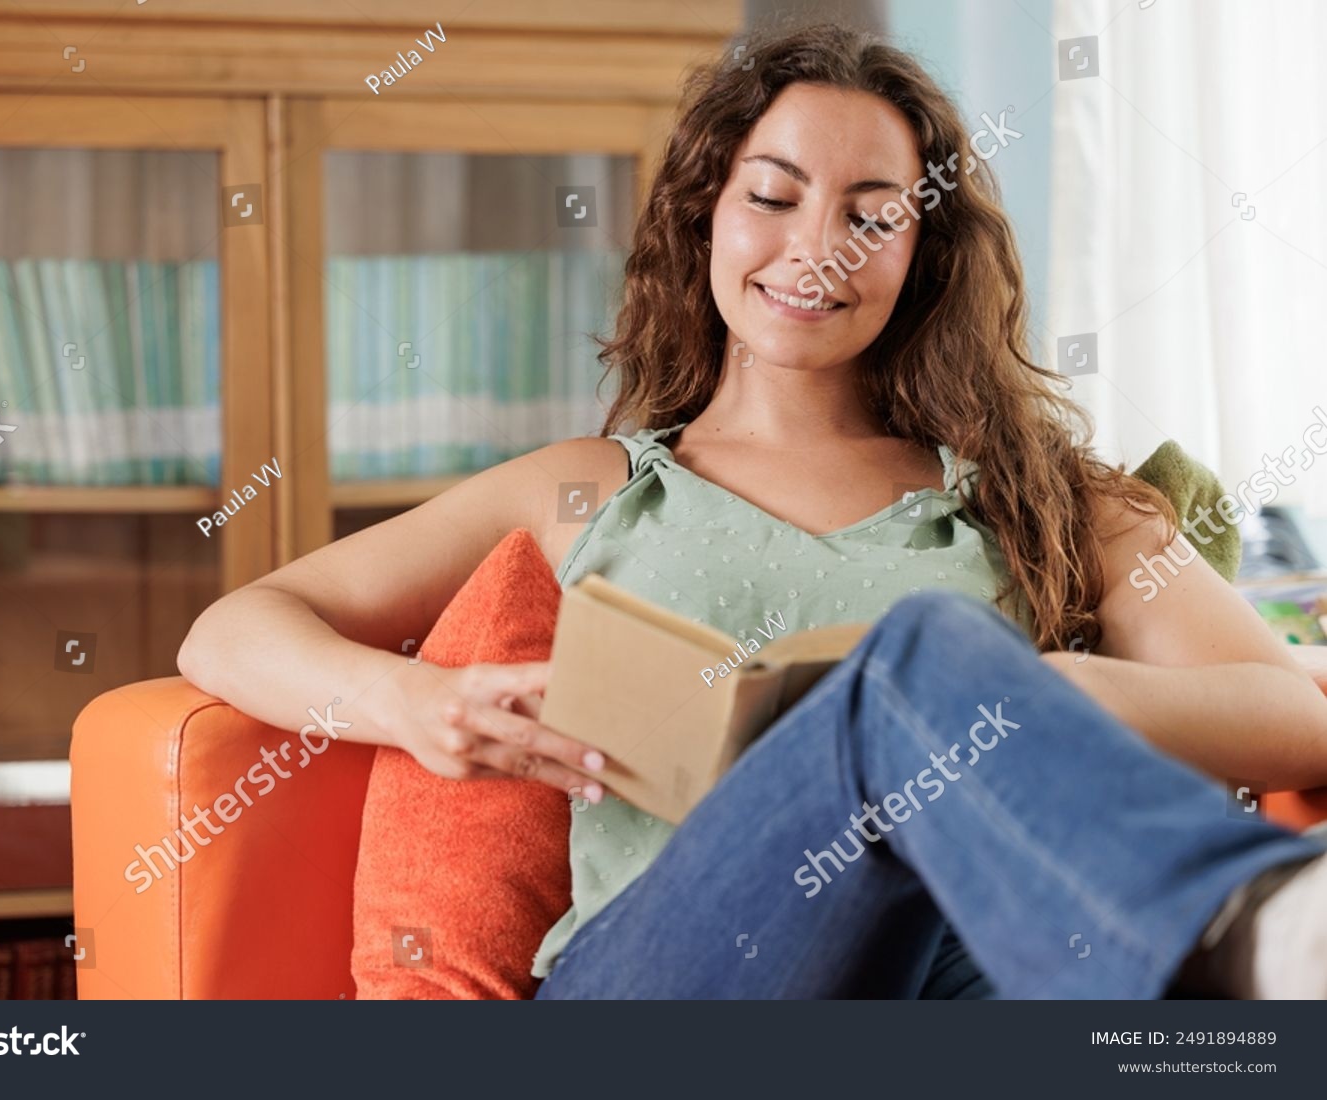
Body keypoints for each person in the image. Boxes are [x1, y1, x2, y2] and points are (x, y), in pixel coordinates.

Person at [177, 24, 1327, 998]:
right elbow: (233, 627)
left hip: (948, 989)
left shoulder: (1041, 497)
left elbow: (1295, 714)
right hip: (668, 982)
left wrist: (1030, 697)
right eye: (773, 198)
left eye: (874, 216)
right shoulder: (584, 485)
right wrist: (412, 700)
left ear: (922, 256)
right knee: (919, 656)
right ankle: (1246, 939)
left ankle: (1227, 961)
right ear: (707, 218)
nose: (816, 250)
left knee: (930, 675)